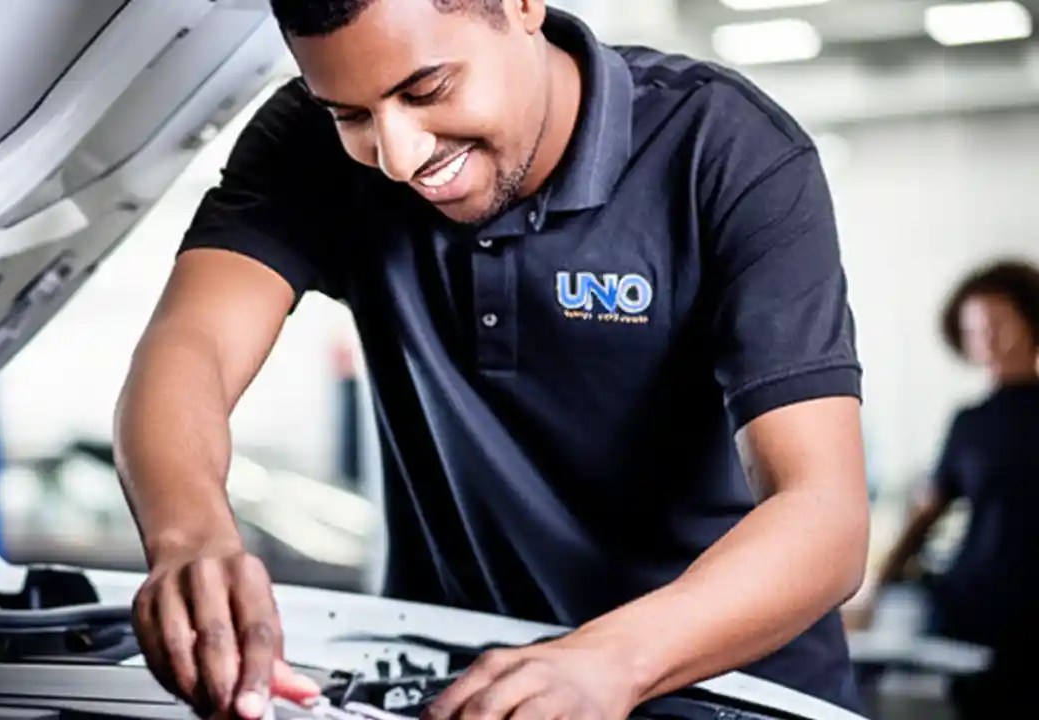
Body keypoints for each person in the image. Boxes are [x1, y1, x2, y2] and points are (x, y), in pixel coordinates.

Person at [113, 1, 872, 718]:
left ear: (521, 6)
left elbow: (823, 516)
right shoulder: (305, 147)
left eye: (428, 88)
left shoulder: (726, 151)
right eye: (351, 115)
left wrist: (607, 660)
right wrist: (190, 540)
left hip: (732, 690)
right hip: (460, 686)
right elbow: (193, 348)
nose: (399, 156)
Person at [867, 260, 1039, 718]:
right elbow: (926, 514)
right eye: (975, 330)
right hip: (978, 611)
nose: (988, 340)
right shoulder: (969, 423)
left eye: (998, 325)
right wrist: (876, 591)